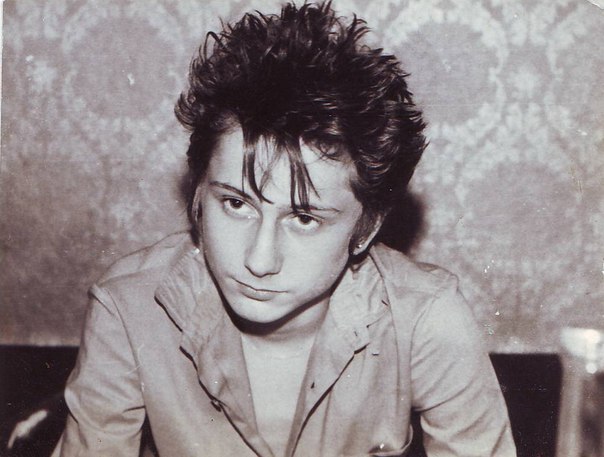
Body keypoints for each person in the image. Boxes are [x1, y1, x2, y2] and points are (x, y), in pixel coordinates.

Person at [53, 2, 516, 456]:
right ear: (197, 195)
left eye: (304, 219)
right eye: (236, 204)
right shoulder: (128, 309)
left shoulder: (427, 318)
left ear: (366, 227)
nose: (259, 260)